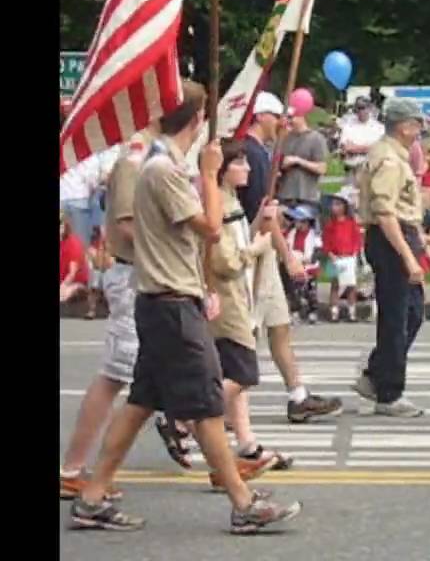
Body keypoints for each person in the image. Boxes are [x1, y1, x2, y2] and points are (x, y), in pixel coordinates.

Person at [69, 81, 301, 534]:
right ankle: (243, 503)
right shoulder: (163, 171)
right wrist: (212, 175)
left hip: (168, 299)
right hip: (171, 305)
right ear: (196, 122)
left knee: (139, 404)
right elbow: (211, 228)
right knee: (207, 405)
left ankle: (93, 496)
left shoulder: (166, 166)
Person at [60, 129, 156, 500]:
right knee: (119, 376)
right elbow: (127, 225)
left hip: (140, 276)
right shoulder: (133, 160)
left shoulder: (146, 155)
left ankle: (224, 463)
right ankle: (74, 470)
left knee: (166, 374)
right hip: (130, 274)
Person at [241, 93, 343, 424]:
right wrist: (289, 257)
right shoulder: (254, 157)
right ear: (261, 117)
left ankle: (297, 395)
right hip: (255, 252)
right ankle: (214, 404)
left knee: (279, 325)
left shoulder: (261, 154)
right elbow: (262, 213)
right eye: (276, 117)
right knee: (246, 333)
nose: (282, 123)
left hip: (265, 249)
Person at [207, 141, 294, 484]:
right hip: (228, 298)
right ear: (224, 169)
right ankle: (184, 418)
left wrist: (261, 218)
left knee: (234, 372)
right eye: (239, 162)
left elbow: (242, 237)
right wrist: (257, 248)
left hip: (240, 294)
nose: (247, 168)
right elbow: (225, 259)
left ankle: (247, 446)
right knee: (243, 373)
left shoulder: (232, 203)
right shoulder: (219, 204)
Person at [350, 99, 430, 418]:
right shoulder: (390, 159)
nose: (420, 130)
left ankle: (376, 373)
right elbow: (385, 212)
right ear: (404, 126)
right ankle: (389, 392)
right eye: (417, 124)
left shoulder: (393, 154)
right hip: (391, 239)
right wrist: (409, 257)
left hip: (398, 234)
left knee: (411, 313)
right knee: (397, 317)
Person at [276, 108, 328, 216]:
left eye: (292, 117)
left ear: (302, 117)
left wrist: (298, 161)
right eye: (288, 117)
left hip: (307, 196)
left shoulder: (316, 138)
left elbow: (322, 168)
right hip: (285, 195)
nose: (289, 121)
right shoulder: (284, 138)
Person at [321, 194, 363, 323]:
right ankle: (334, 311)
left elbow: (357, 239)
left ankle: (352, 312)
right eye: (333, 205)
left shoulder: (351, 223)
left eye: (338, 204)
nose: (335, 208)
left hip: (348, 257)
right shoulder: (329, 225)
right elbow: (326, 241)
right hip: (335, 257)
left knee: (351, 286)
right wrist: (329, 254)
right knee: (335, 285)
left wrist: (355, 252)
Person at [338, 97, 385, 187]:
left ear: (369, 108)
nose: (361, 111)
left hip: (371, 170)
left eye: (363, 108)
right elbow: (345, 147)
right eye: (358, 108)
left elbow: (379, 149)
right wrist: (366, 148)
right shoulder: (348, 126)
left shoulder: (378, 128)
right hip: (351, 170)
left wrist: (355, 148)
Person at [60, 211, 91, 308]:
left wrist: (63, 286)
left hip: (74, 281)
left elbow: (72, 273)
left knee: (63, 294)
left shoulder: (73, 243)